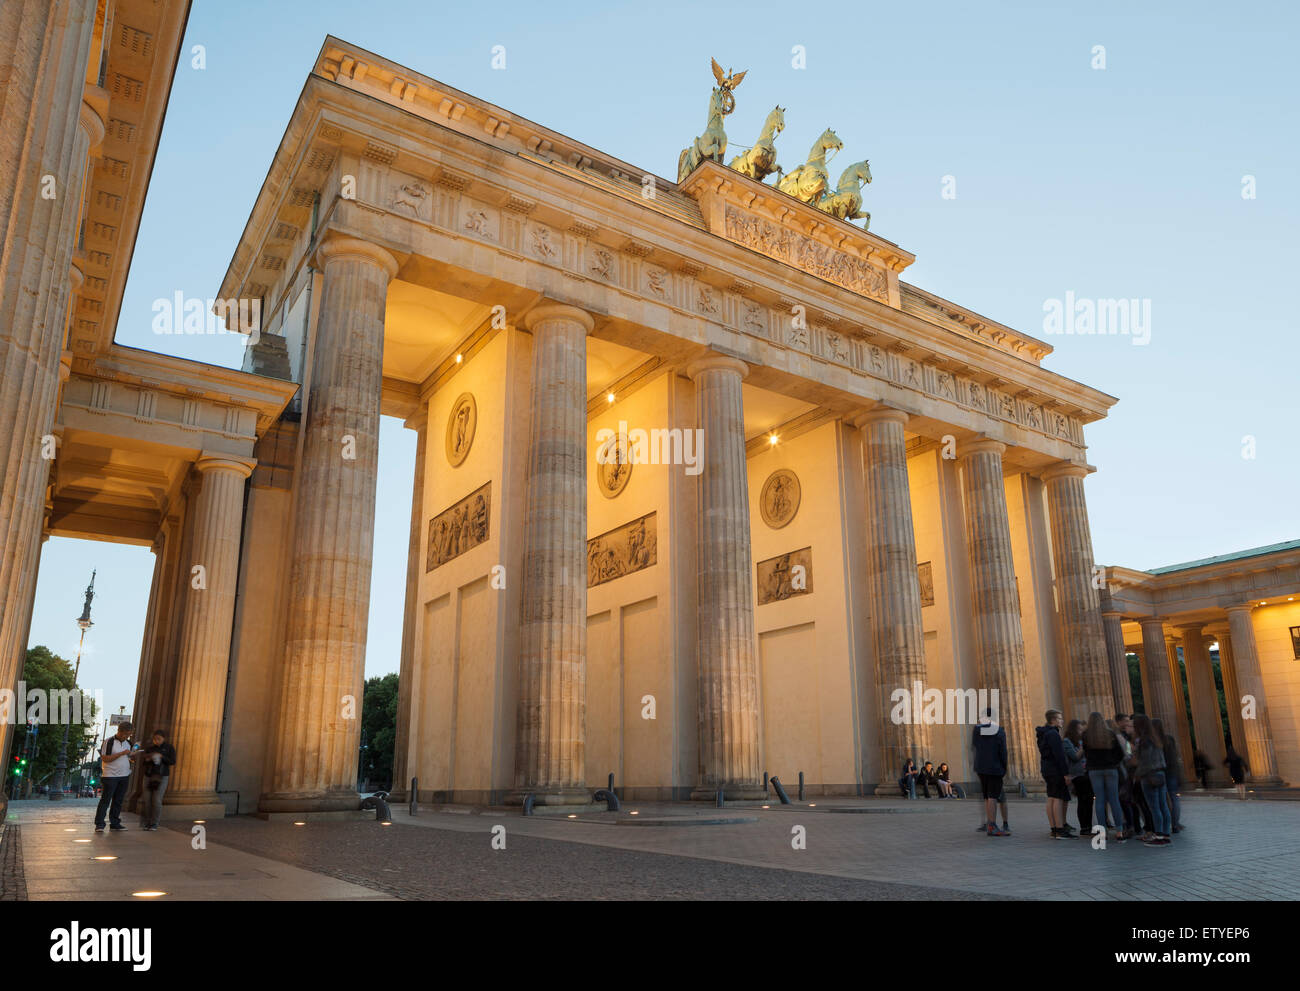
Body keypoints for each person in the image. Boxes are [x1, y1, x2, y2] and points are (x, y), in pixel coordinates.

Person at [1084, 712, 1127, 841]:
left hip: (1094, 769)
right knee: (1114, 799)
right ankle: (1119, 831)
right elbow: (1120, 752)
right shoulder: (1110, 733)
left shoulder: (1086, 735)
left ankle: (1103, 832)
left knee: (1099, 800)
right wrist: (1114, 762)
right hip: (1110, 769)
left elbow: (1086, 753)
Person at [1133, 714, 1171, 845]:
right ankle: (1165, 834)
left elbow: (1145, 761)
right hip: (1161, 773)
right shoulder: (1155, 739)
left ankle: (1158, 836)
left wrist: (1138, 773)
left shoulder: (1144, 741)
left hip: (1149, 776)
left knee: (1154, 807)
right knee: (1163, 805)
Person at [1036, 709, 1074, 839]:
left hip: (1047, 768)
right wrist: (1066, 773)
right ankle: (1060, 830)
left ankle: (1054, 829)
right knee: (1058, 798)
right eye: (1060, 718)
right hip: (1055, 769)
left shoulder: (1043, 733)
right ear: (1053, 720)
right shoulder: (1053, 734)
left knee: (1051, 797)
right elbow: (1059, 755)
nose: (1062, 721)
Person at [972, 708, 1010, 836]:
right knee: (993, 796)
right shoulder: (999, 731)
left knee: (987, 797)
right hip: (995, 768)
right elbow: (1003, 751)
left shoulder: (976, 730)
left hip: (981, 768)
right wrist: (1004, 767)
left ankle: (989, 823)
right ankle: (992, 826)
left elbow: (975, 746)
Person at [94, 721, 137, 832]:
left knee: (118, 800)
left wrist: (132, 757)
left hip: (124, 775)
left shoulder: (129, 743)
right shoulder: (109, 741)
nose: (128, 736)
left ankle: (115, 823)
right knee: (105, 800)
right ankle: (99, 824)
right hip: (110, 776)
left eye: (130, 734)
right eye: (127, 734)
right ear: (120, 731)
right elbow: (105, 758)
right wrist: (121, 753)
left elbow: (130, 759)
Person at [139, 730, 176, 831]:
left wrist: (162, 756)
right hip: (149, 775)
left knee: (157, 799)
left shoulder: (169, 748)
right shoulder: (150, 748)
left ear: (164, 738)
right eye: (155, 739)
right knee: (147, 799)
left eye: (158, 739)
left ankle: (154, 823)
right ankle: (146, 823)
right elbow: (144, 763)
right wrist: (148, 759)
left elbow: (172, 761)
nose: (156, 741)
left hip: (161, 776)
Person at [1062, 719, 1093, 839]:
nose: (1081, 732)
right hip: (1077, 775)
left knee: (1089, 801)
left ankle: (1088, 827)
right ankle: (1084, 828)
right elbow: (1075, 757)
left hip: (1086, 773)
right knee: (1083, 800)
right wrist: (1084, 747)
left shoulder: (1079, 741)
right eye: (1079, 730)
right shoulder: (1067, 741)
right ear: (1073, 730)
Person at [1152, 718, 1183, 833]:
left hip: (1159, 772)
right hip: (1172, 771)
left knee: (1161, 800)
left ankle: (1164, 825)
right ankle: (1175, 824)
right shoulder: (1169, 739)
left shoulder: (1153, 740)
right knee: (1174, 798)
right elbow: (1175, 755)